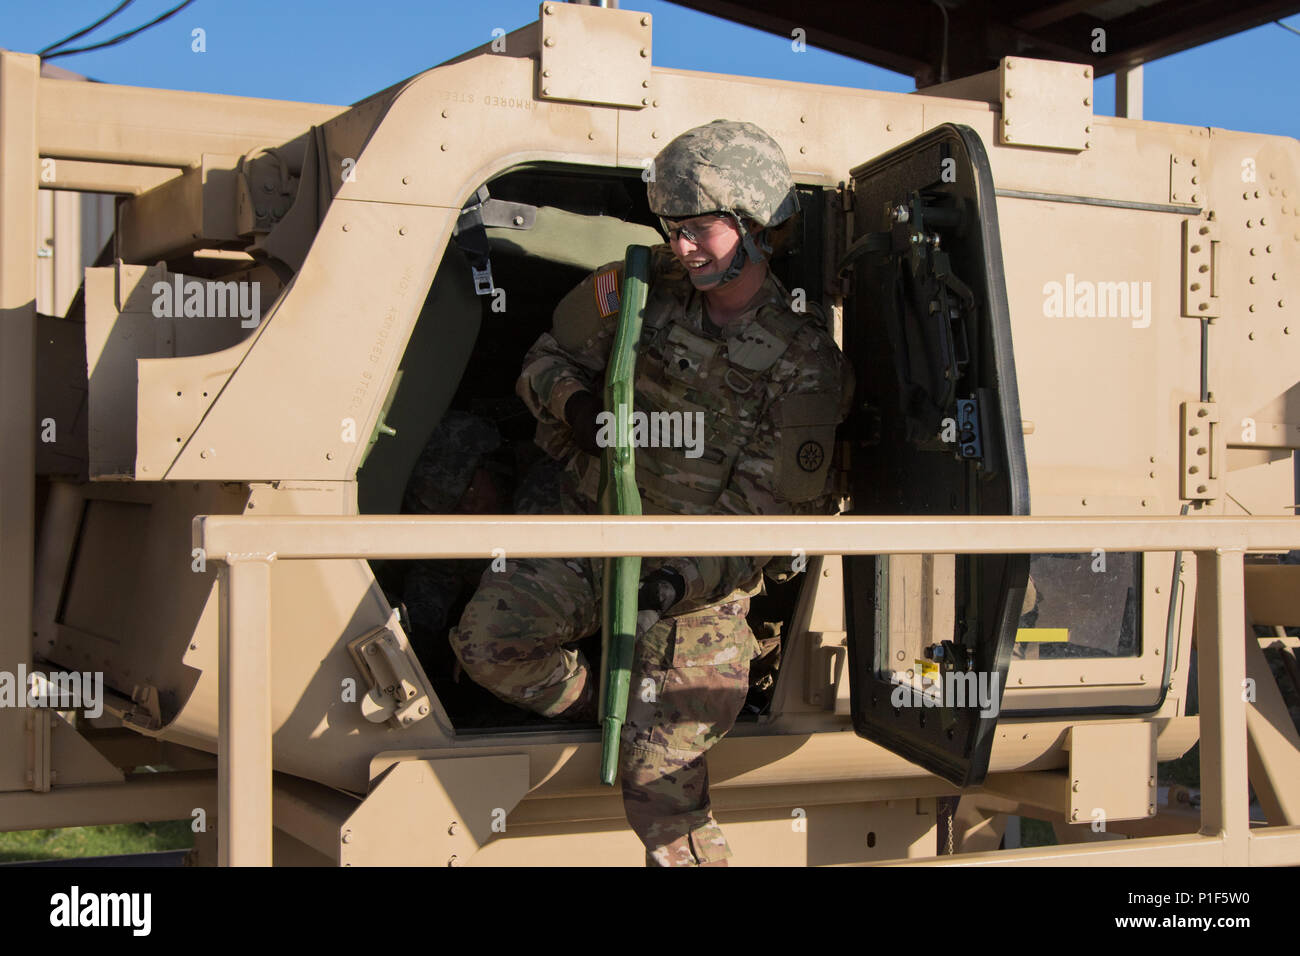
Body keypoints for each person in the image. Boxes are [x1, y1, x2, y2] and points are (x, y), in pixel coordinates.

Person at [449, 119, 854, 866]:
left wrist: (671, 583)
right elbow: (544, 359)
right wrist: (577, 409)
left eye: (701, 230)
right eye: (673, 228)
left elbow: (762, 519)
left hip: (696, 584)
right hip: (596, 532)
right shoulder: (635, 288)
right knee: (487, 644)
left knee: (659, 783)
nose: (683, 247)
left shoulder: (805, 363)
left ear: (756, 224)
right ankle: (608, 695)